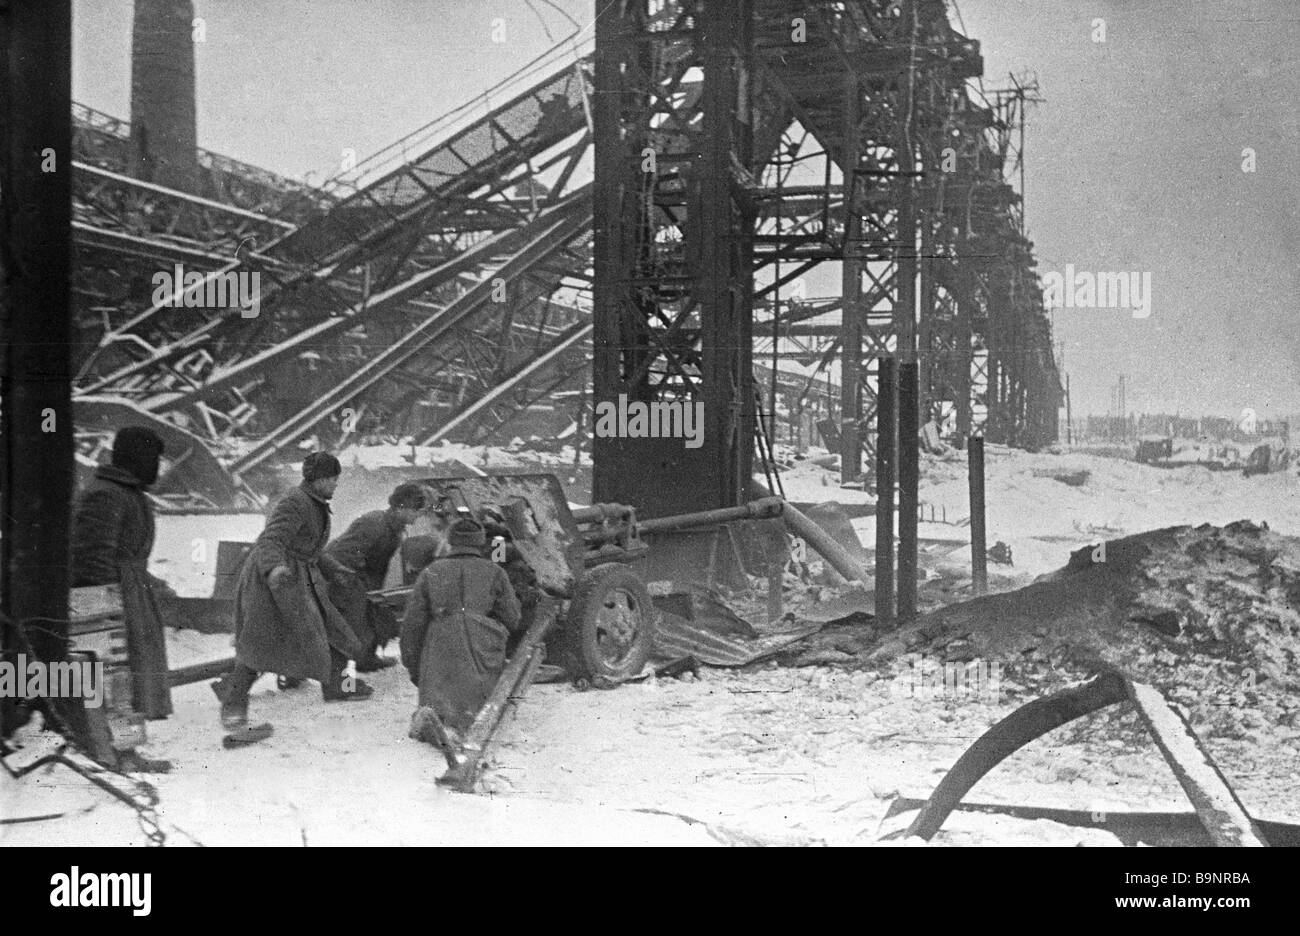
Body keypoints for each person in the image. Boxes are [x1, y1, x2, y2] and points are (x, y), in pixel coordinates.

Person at [213, 452, 370, 743]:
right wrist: (275, 569)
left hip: (297, 576)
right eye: (332, 479)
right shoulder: (295, 502)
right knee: (261, 640)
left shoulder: (314, 503)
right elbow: (271, 540)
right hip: (274, 580)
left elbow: (309, 547)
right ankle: (234, 704)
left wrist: (334, 569)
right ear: (320, 480)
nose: (335, 485)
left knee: (328, 629)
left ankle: (336, 685)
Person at [71, 426, 174, 720]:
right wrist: (111, 608)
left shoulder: (127, 494)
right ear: (137, 458)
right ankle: (117, 750)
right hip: (116, 602)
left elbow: (126, 554)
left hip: (132, 595)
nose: (158, 466)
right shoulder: (106, 495)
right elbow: (92, 557)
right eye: (154, 458)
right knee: (115, 674)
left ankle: (126, 746)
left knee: (127, 678)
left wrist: (148, 581)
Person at [401, 519, 522, 749]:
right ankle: (467, 725)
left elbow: (412, 625)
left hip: (441, 648)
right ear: (480, 543)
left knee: (439, 704)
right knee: (478, 708)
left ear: (451, 541)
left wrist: (414, 667)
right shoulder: (495, 571)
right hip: (482, 650)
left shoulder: (431, 572)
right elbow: (513, 618)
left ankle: (439, 724)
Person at [323, 482, 427, 671]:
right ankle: (341, 677)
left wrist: (374, 592)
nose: (417, 515)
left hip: (362, 579)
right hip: (342, 575)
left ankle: (366, 658)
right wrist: (353, 585)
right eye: (415, 510)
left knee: (379, 616)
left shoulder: (396, 529)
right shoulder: (374, 523)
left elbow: (379, 568)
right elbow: (342, 553)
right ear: (400, 507)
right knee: (353, 624)